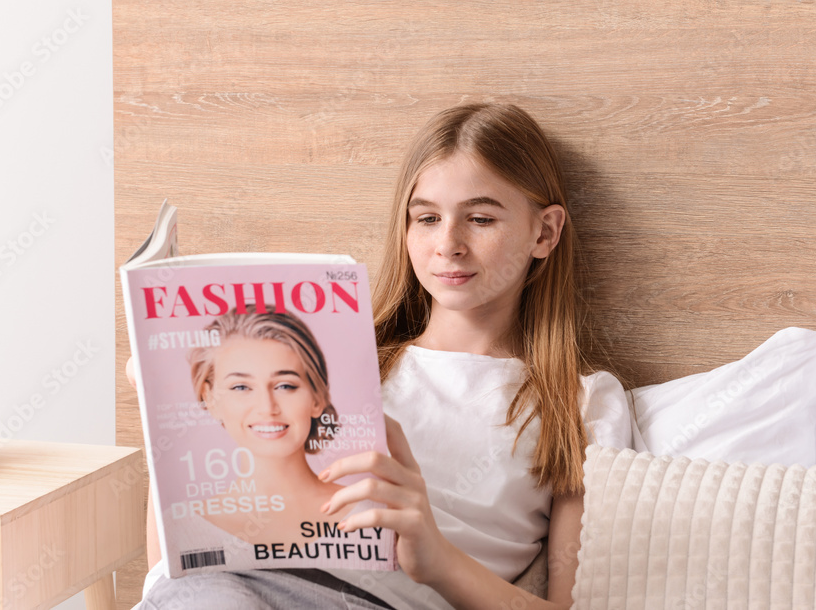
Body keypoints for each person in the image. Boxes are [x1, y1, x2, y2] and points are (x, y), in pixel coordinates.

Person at [135, 103, 633, 609]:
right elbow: (174, 566)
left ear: (544, 232)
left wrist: (438, 558)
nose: (448, 244)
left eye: (480, 218)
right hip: (230, 584)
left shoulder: (581, 403)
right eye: (428, 218)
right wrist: (167, 410)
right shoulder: (343, 363)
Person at [187, 308, 352, 544]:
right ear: (210, 399)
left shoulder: (369, 511)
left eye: (285, 385)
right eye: (241, 387)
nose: (267, 407)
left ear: (317, 398)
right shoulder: (186, 524)